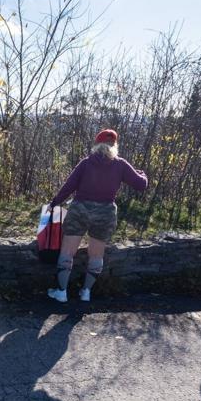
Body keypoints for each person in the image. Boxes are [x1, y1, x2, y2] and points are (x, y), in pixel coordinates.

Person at [46, 129, 148, 303]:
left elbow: (69, 186)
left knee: (68, 252)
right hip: (105, 212)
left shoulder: (86, 163)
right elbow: (141, 185)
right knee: (96, 254)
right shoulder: (121, 164)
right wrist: (143, 174)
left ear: (96, 144)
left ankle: (62, 292)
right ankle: (86, 292)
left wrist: (54, 203)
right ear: (114, 145)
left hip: (80, 209)